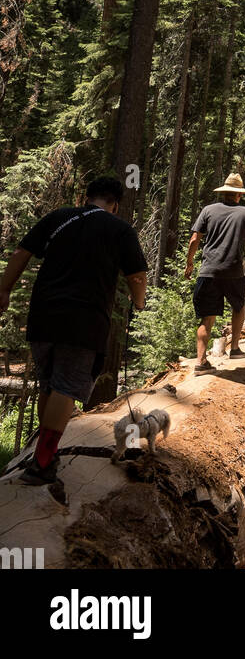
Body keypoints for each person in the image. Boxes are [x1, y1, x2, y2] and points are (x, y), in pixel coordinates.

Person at [0, 175, 148, 486]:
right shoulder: (120, 229)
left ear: (86, 197)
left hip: (42, 316)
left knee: (49, 386)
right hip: (85, 321)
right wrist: (140, 302)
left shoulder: (57, 218)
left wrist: (4, 290)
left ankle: (45, 454)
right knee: (66, 387)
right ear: (115, 205)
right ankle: (42, 462)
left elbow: (21, 254)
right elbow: (136, 276)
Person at [185, 172, 245, 374]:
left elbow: (194, 240)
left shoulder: (208, 210)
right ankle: (234, 348)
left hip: (208, 271)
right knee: (238, 306)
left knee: (206, 318)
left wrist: (190, 263)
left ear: (224, 193)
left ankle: (200, 362)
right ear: (239, 195)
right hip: (233, 272)